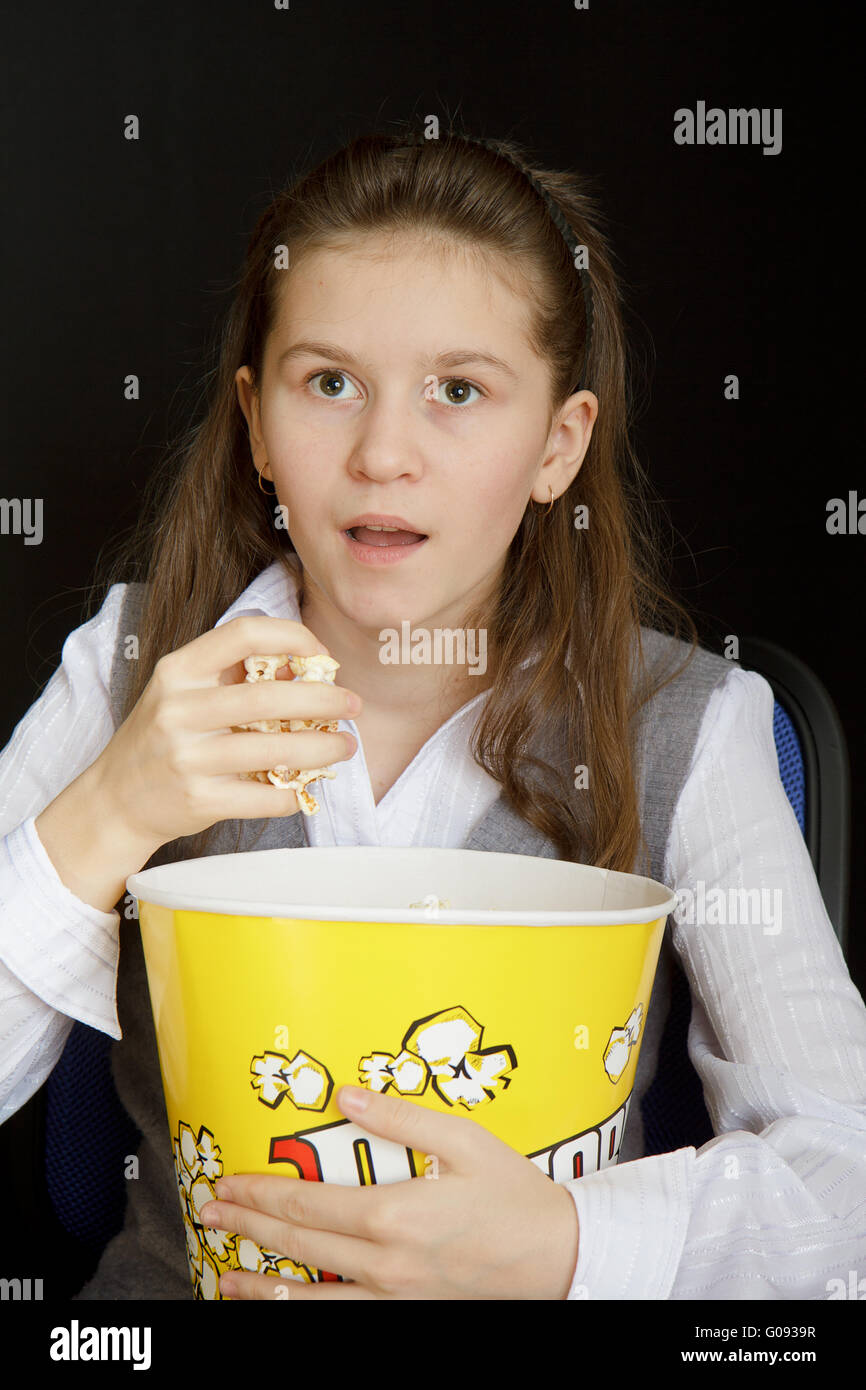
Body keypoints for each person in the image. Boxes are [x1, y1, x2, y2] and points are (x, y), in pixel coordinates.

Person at [2, 127, 864, 1301]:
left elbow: (842, 1184)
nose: (382, 454)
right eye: (329, 383)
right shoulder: (128, 663)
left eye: (457, 391)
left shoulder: (689, 723)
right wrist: (104, 816)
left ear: (557, 445)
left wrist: (567, 1246)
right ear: (257, 422)